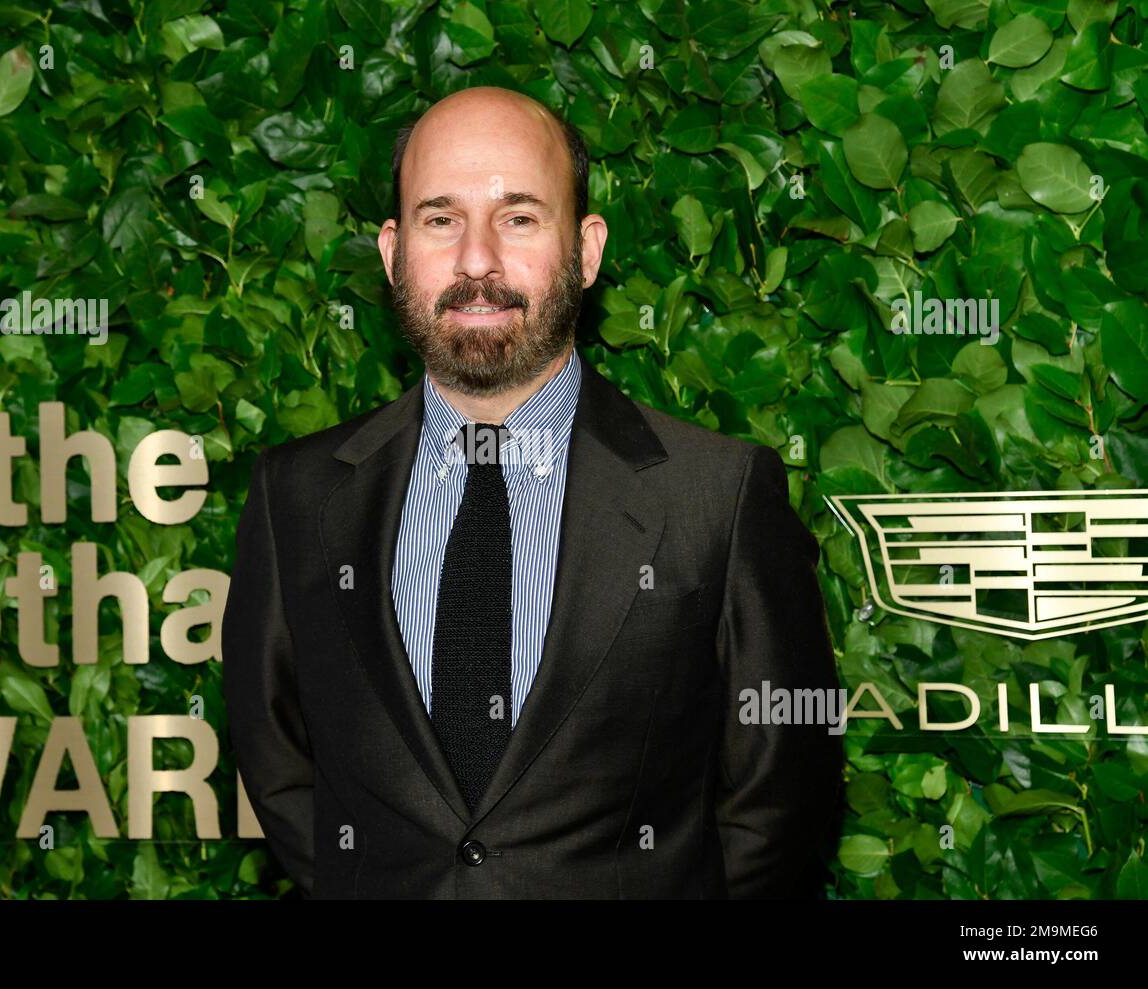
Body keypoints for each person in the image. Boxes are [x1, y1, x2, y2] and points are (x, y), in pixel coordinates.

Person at [222, 86, 843, 899]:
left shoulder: (716, 497)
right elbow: (278, 763)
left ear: (586, 249)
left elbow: (783, 804)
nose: (477, 261)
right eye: (440, 219)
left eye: (518, 217)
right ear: (392, 250)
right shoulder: (295, 498)